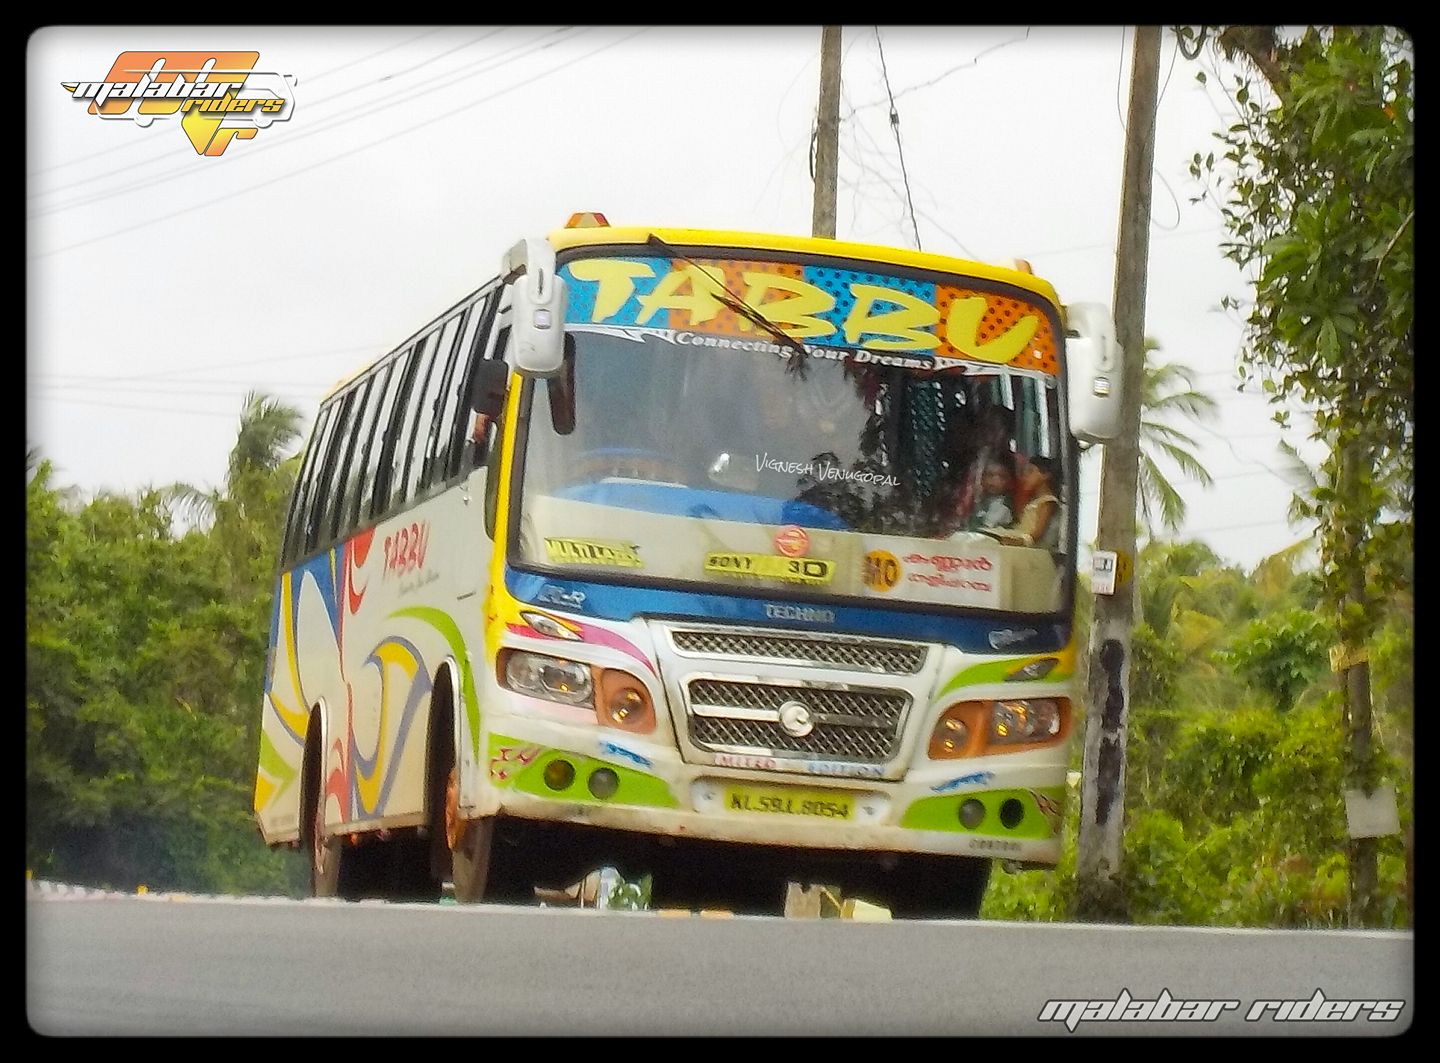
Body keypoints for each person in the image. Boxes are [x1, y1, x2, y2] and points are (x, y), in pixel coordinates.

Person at [993, 455, 1061, 549]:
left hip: (1033, 548)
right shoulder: (1035, 501)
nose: (1025, 477)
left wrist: (1019, 541)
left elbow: (1038, 533)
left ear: (1045, 475)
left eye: (1030, 472)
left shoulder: (1047, 502)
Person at [965, 457, 1015, 531]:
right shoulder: (982, 500)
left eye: (1001, 477)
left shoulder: (1003, 507)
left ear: (1009, 480)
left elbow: (983, 528)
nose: (995, 482)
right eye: (990, 475)